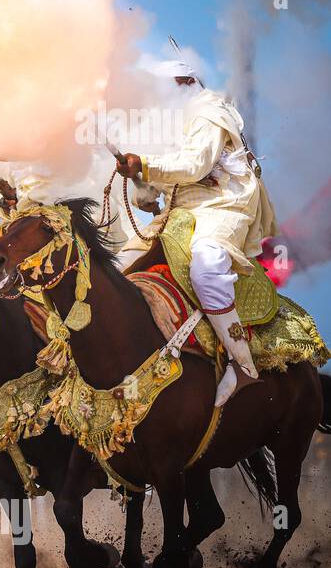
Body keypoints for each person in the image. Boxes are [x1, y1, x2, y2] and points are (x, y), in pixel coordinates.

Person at [113, 60, 277, 405]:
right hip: (183, 209)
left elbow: (194, 165)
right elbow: (168, 172)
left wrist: (143, 164)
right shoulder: (175, 117)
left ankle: (242, 363)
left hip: (223, 204)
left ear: (184, 81)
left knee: (206, 264)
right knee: (117, 268)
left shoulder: (207, 112)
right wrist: (144, 186)